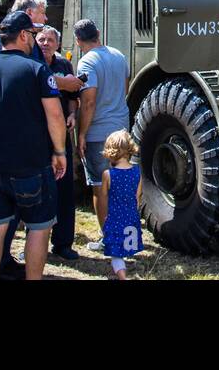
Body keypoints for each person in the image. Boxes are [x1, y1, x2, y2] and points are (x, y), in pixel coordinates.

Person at [0, 11, 69, 280]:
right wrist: (59, 151)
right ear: (22, 35)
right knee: (38, 228)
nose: (34, 39)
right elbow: (55, 115)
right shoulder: (37, 70)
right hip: (31, 165)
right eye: (32, 34)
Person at [0, 0, 83, 277]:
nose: (45, 18)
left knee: (1, 214)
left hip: (1, 140)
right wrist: (67, 84)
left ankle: (2, 263)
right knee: (28, 213)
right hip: (24, 140)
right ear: (28, 16)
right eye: (42, 13)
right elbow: (43, 84)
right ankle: (6, 264)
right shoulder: (17, 47)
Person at [74, 18, 130, 252]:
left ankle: (109, 238)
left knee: (100, 187)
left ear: (78, 41)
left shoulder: (87, 62)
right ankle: (127, 235)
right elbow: (125, 88)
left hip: (99, 133)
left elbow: (88, 103)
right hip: (121, 129)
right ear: (98, 33)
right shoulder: (119, 55)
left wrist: (82, 134)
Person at [38, 24, 80, 260]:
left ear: (57, 44)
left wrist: (73, 114)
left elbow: (73, 96)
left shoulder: (64, 64)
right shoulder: (32, 62)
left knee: (64, 190)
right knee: (41, 191)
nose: (45, 43)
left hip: (62, 136)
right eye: (41, 39)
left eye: (49, 40)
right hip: (38, 136)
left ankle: (63, 243)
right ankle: (35, 245)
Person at [98, 129, 143, 280]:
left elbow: (103, 198)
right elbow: (137, 197)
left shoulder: (108, 175)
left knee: (115, 253)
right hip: (131, 217)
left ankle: (122, 276)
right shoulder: (137, 172)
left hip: (115, 218)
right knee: (127, 246)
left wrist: (105, 218)